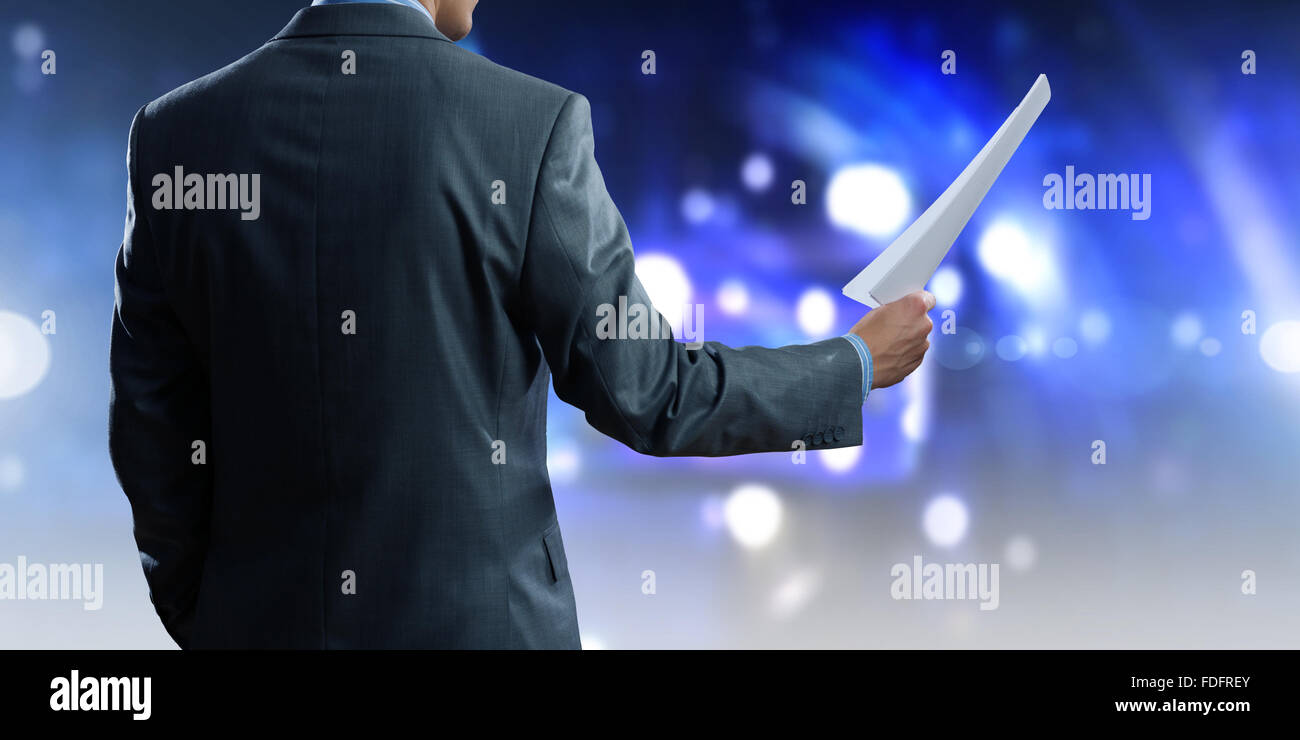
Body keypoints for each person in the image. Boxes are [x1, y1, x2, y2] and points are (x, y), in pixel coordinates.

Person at [108, 0, 933, 649]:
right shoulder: (529, 128)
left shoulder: (176, 134)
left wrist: (213, 615)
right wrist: (852, 364)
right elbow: (650, 393)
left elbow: (152, 427)